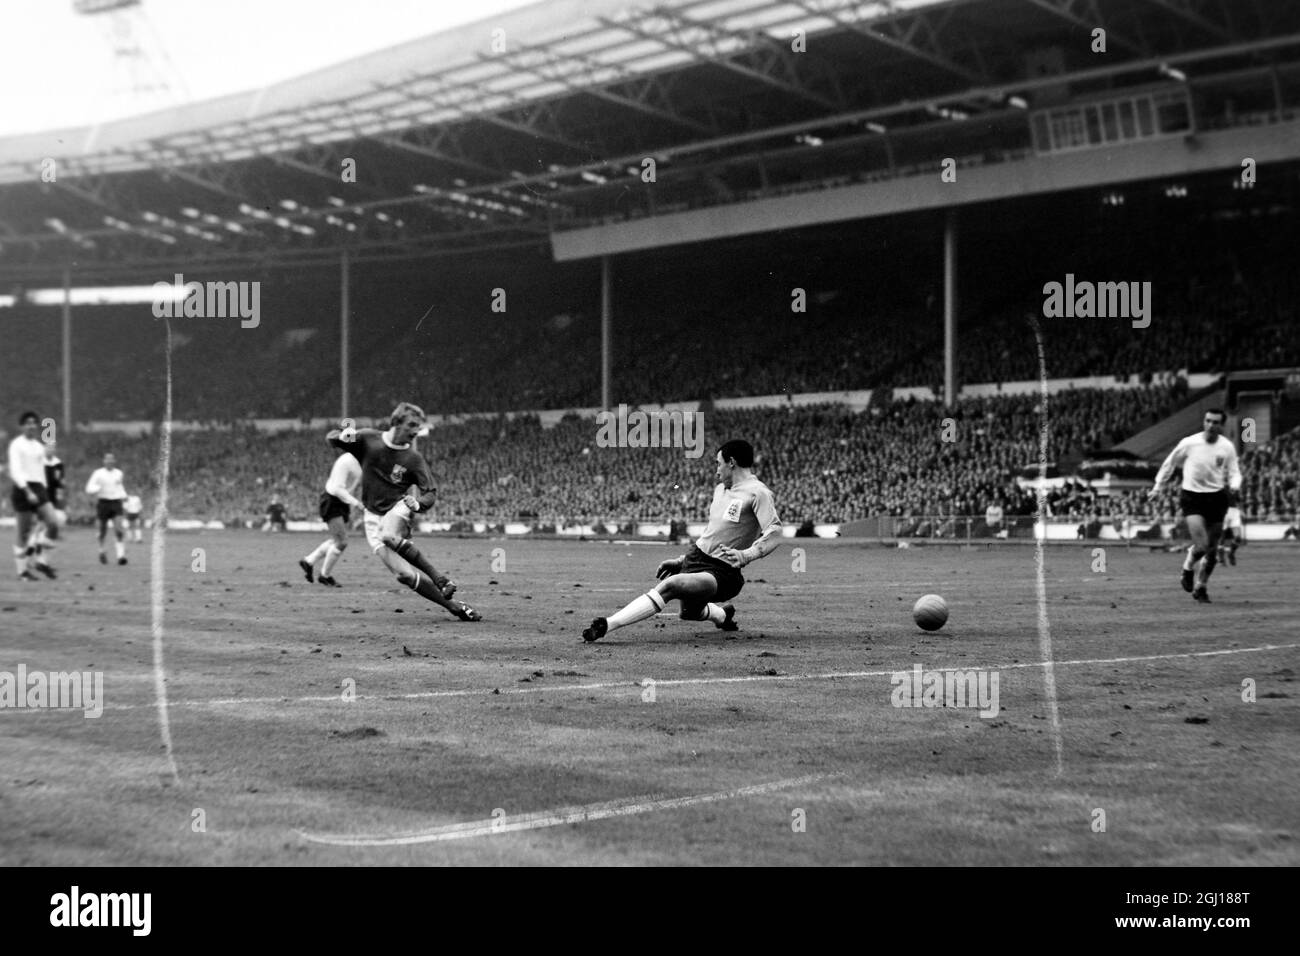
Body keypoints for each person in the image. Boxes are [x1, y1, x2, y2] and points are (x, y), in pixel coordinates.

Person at [583, 439, 781, 642]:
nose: (716, 470)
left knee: (671, 585)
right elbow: (713, 532)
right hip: (697, 558)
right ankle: (722, 615)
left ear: (731, 462)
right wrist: (682, 560)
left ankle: (607, 624)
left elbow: (775, 532)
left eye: (718, 463)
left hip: (723, 571)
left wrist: (747, 554)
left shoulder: (759, 493)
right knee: (689, 613)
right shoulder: (720, 490)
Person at [326, 403, 480, 621]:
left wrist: (417, 504)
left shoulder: (413, 459)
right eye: (412, 425)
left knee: (389, 534)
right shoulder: (368, 440)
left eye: (419, 426)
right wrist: (343, 434)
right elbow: (332, 438)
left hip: (399, 508)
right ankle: (455, 607)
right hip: (372, 517)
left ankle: (440, 578)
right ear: (396, 422)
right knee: (404, 575)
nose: (416, 430)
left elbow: (430, 492)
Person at [1149, 409, 1242, 603]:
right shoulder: (1189, 443)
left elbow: (1234, 471)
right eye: (1207, 421)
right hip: (1192, 497)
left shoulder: (1226, 447)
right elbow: (1169, 463)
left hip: (1217, 497)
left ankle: (1201, 587)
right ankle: (1188, 568)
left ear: (1221, 425)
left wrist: (1235, 485)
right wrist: (1158, 487)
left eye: (1215, 422)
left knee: (1213, 549)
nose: (1210, 425)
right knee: (1202, 545)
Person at [6, 411, 62, 580]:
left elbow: (41, 471)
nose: (31, 426)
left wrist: (43, 491)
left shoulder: (38, 446)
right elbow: (15, 471)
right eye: (28, 423)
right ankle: (22, 572)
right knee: (23, 533)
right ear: (22, 426)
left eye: (34, 423)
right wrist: (27, 491)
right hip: (23, 488)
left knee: (53, 522)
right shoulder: (16, 445)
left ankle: (42, 561)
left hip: (38, 487)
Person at [299, 449, 363, 587]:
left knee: (337, 540)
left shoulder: (362, 460)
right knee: (342, 541)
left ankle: (308, 561)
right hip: (332, 501)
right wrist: (356, 503)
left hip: (341, 501)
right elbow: (337, 489)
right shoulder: (347, 461)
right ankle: (324, 576)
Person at [85, 452, 130, 565]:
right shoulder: (98, 473)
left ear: (114, 461)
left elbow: (120, 486)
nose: (109, 461)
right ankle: (102, 550)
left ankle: (121, 556)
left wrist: (124, 495)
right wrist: (97, 488)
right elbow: (89, 488)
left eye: (111, 459)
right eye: (107, 459)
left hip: (116, 502)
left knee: (119, 528)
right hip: (103, 503)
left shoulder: (119, 473)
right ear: (103, 461)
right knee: (102, 531)